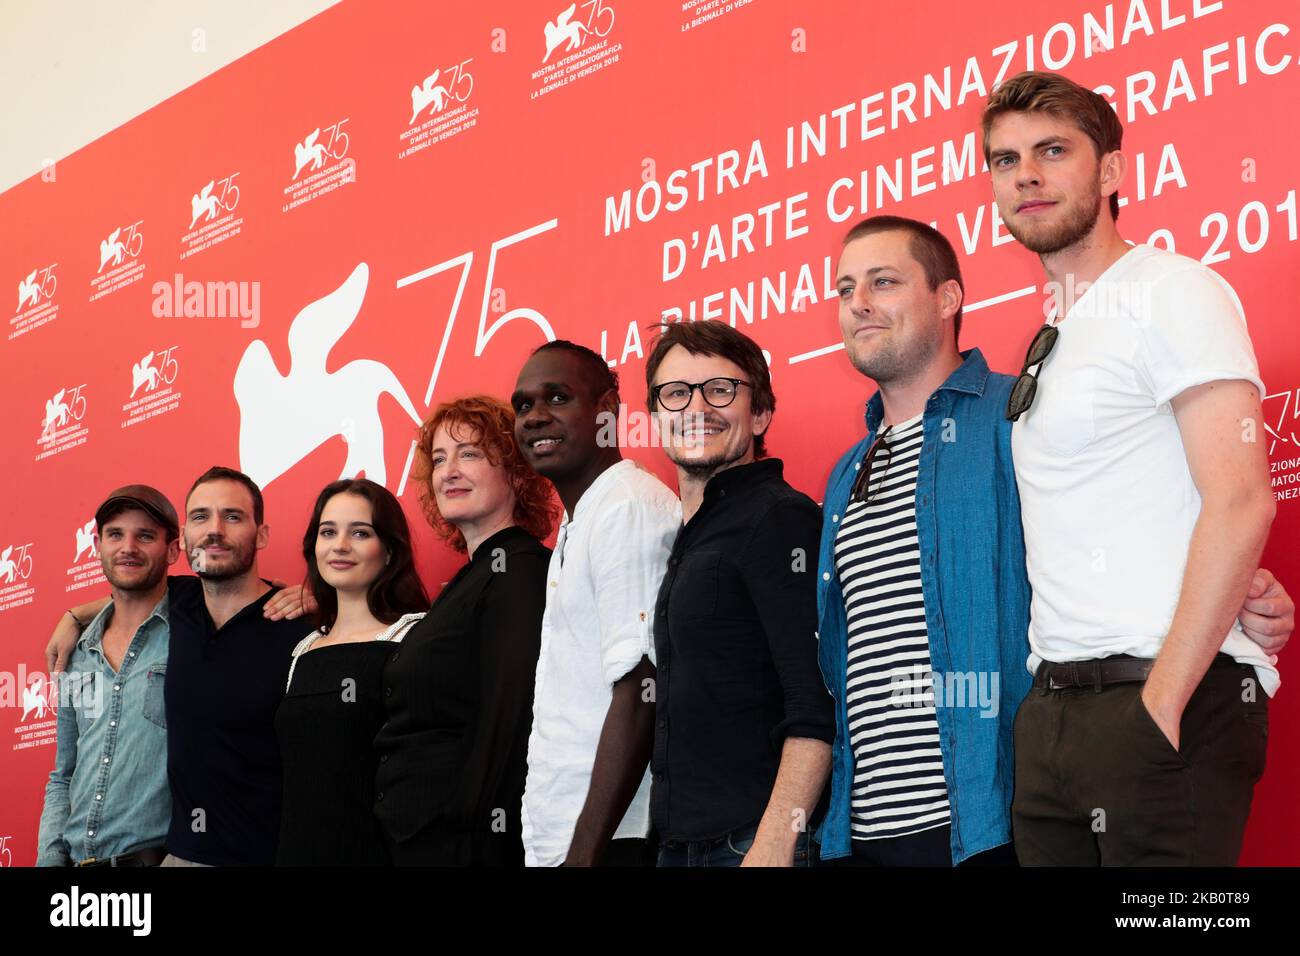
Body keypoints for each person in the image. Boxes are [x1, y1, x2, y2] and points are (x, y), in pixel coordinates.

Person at [816, 214, 1294, 867]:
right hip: (866, 826)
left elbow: (1148, 510)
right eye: (845, 289)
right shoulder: (846, 473)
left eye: (883, 282)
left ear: (949, 297)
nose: (859, 303)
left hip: (988, 816)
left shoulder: (1022, 414)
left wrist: (1242, 588)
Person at [983, 70, 1286, 865]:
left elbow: (1242, 501)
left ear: (1112, 171)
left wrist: (1163, 700)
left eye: (1053, 151)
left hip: (1157, 700)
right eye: (1006, 160)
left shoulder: (1173, 291)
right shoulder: (1053, 337)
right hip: (1052, 714)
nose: (1028, 176)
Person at [46, 467, 316, 866]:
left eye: (233, 516)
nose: (215, 530)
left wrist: (321, 597)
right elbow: (62, 774)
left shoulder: (291, 624)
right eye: (201, 517)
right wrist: (72, 616)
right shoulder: (170, 611)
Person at [645, 321, 833, 867]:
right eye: (676, 393)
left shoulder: (778, 519)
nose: (696, 408)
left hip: (752, 844)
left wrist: (776, 843)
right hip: (683, 847)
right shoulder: (690, 534)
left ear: (760, 413)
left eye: (720, 389)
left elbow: (813, 699)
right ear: (656, 415)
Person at [512, 341, 681, 866]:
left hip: (612, 839)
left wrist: (585, 854)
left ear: (608, 410)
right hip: (566, 836)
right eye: (522, 406)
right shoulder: (580, 516)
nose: (535, 417)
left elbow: (640, 687)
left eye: (557, 398)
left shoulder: (627, 507)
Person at [373, 396, 557, 866]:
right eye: (439, 458)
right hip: (419, 838)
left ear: (516, 471)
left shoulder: (518, 572)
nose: (449, 471)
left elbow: (510, 724)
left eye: (470, 453)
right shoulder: (471, 580)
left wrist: (469, 837)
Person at [276, 478, 428, 866]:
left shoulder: (415, 638)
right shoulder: (302, 650)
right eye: (328, 532)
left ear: (390, 552)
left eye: (359, 532)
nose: (340, 545)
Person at [36, 486, 179, 867]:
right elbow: (63, 774)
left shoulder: (194, 632)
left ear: (172, 551)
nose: (127, 547)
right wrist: (50, 858)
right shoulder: (77, 651)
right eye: (115, 534)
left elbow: (233, 590)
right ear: (98, 544)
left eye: (144, 536)